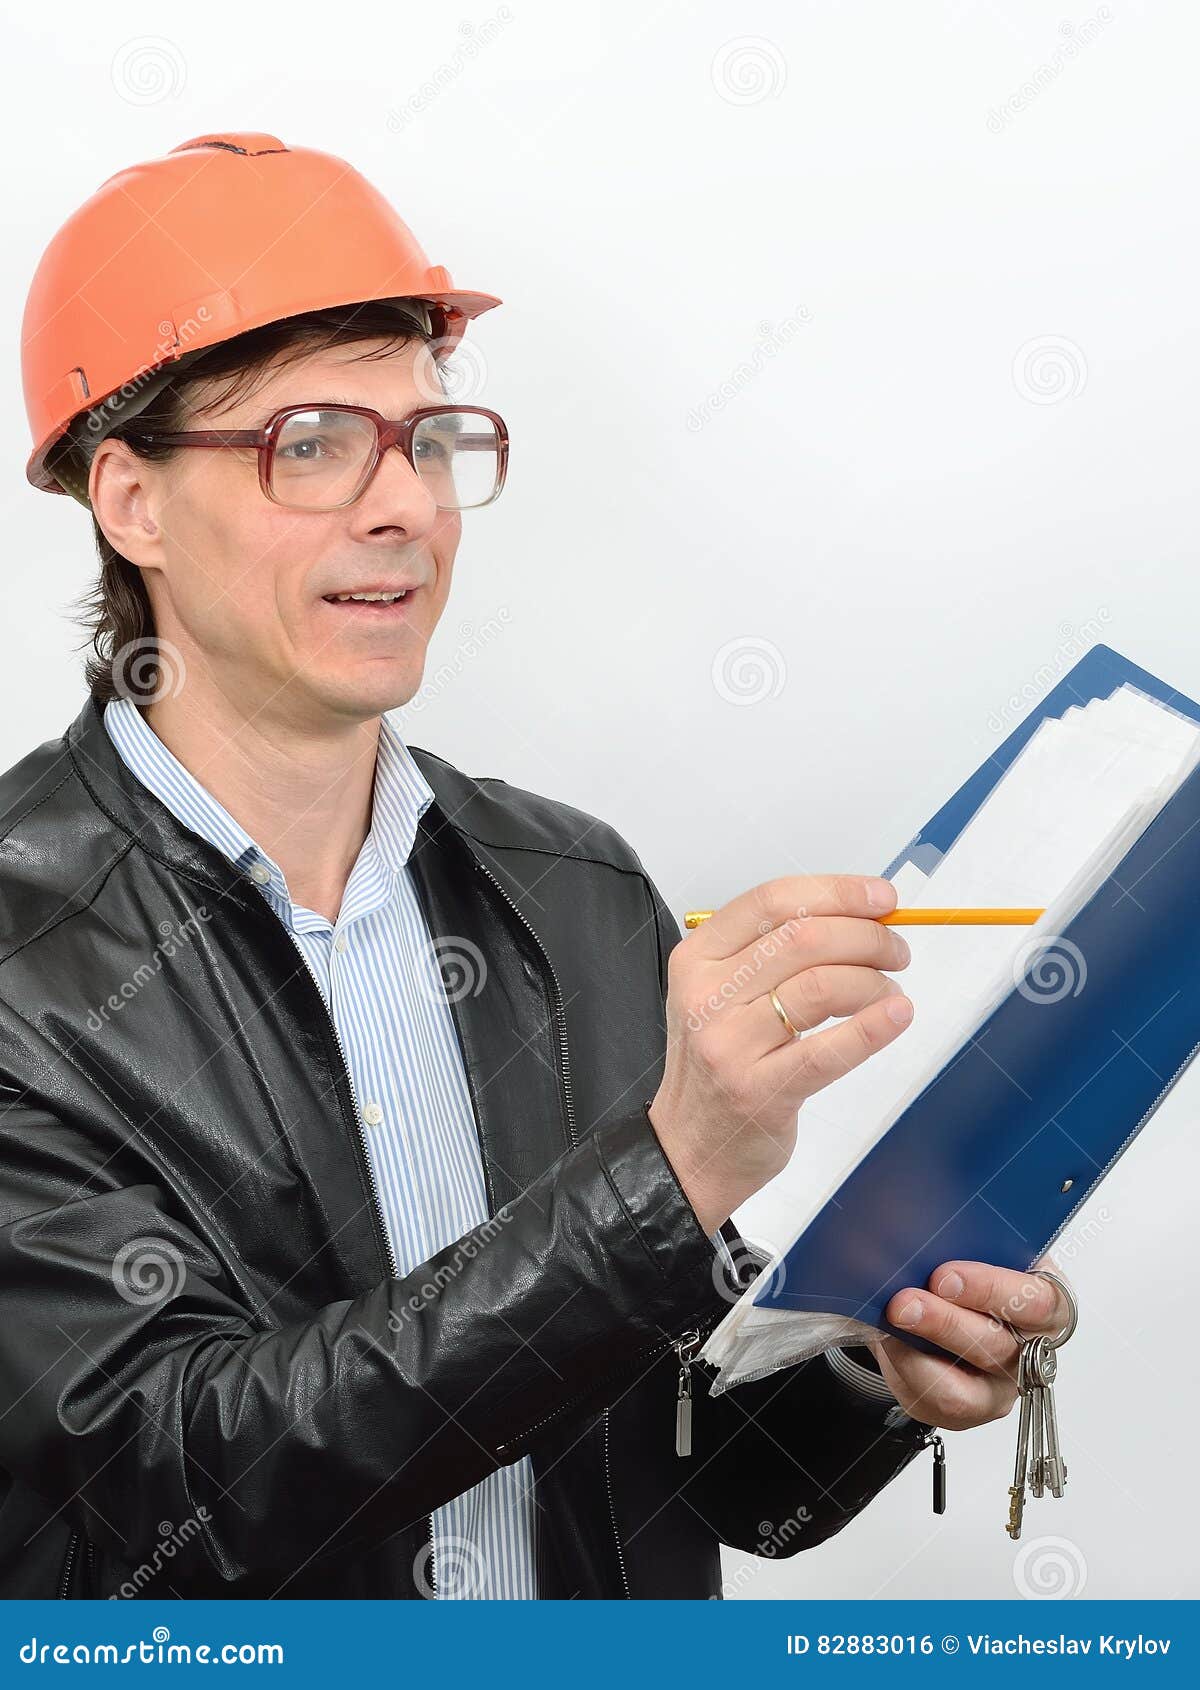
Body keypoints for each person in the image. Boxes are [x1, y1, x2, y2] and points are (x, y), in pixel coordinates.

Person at [0, 132, 1070, 1601]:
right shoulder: (24, 952)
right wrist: (669, 1174)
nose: (405, 506)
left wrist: (868, 1370)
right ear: (127, 501)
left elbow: (702, 1476)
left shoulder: (573, 889)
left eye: (428, 440)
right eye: (310, 441)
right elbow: (185, 1487)